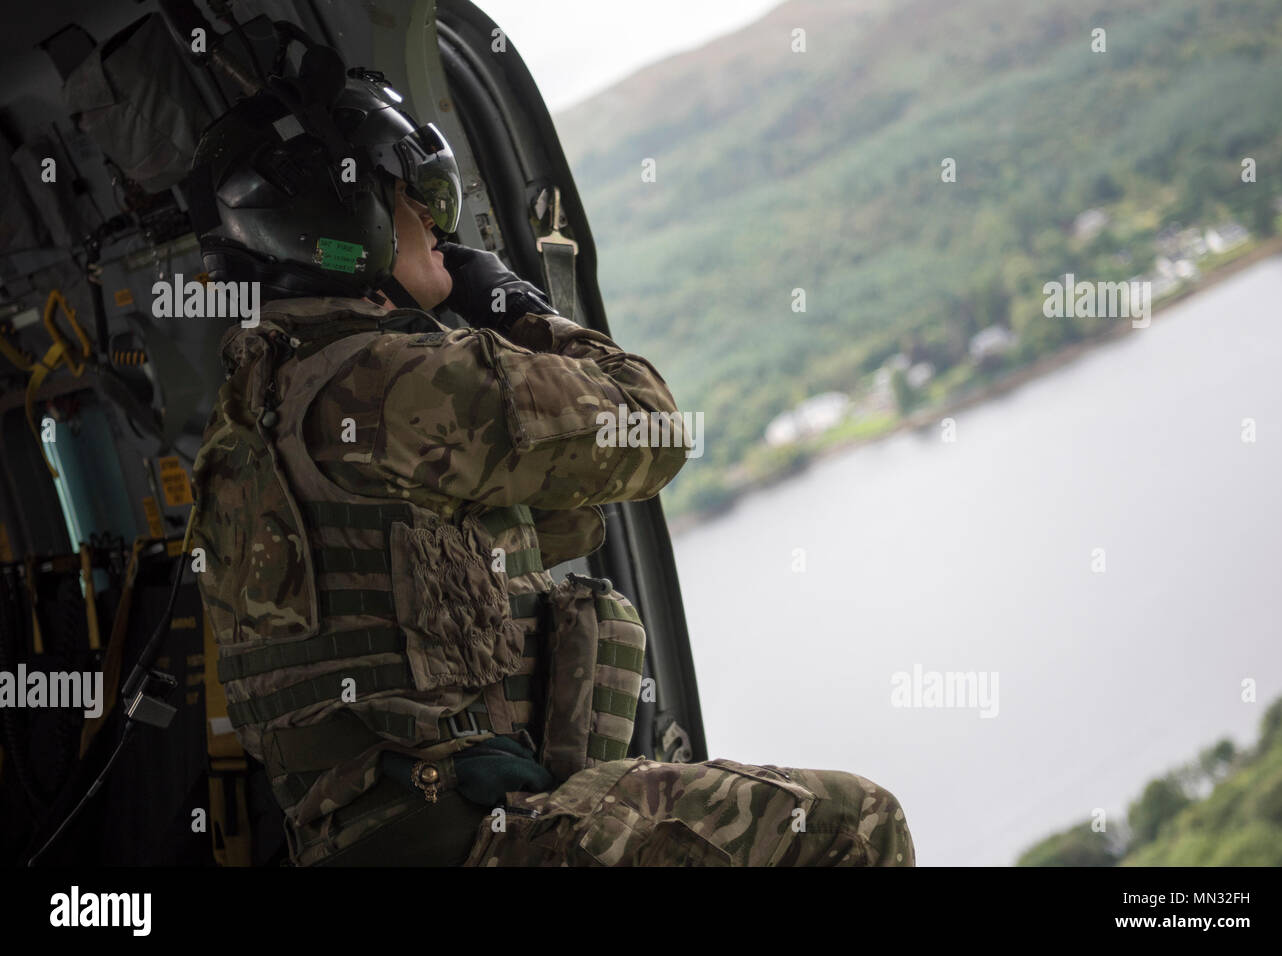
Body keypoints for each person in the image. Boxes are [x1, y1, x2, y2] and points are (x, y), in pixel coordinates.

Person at [186, 50, 915, 866]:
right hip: (477, 843)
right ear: (347, 218)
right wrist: (516, 308)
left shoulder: (250, 418)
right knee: (856, 825)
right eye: (412, 199)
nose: (438, 223)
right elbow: (653, 430)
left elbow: (527, 543)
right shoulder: (394, 385)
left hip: (384, 840)